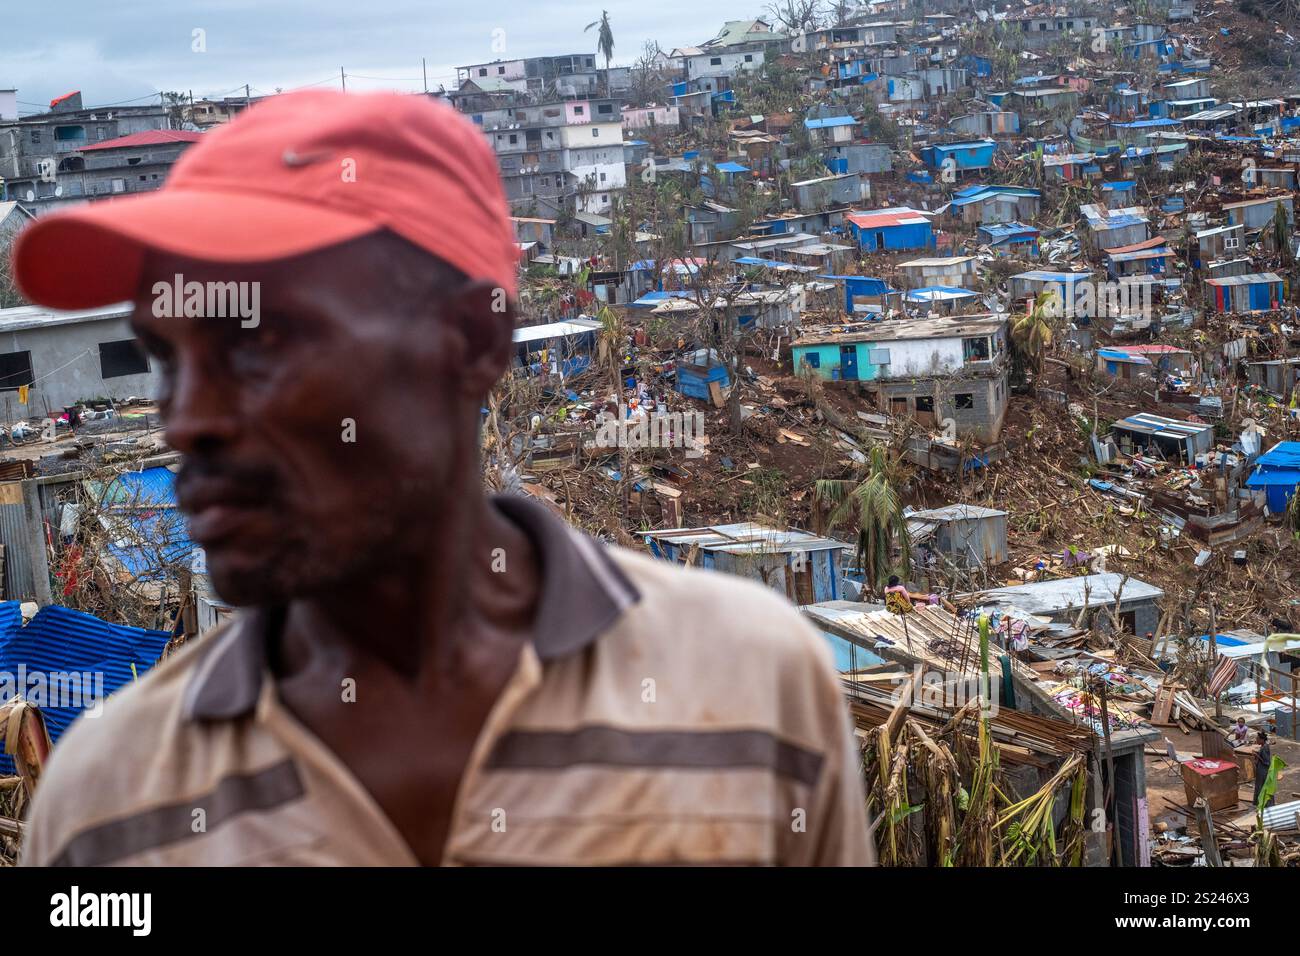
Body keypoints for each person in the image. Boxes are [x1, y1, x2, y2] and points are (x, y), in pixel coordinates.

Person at [13, 91, 871, 867]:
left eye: (259, 344)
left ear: (470, 342)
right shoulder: (109, 803)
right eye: (168, 358)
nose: (186, 420)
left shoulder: (748, 691)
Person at [1254, 731, 1274, 809]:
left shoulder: (1265, 748)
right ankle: (1261, 803)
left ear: (1262, 740)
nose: (1257, 741)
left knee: (1263, 787)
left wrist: (1257, 756)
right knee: (1260, 786)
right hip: (1260, 771)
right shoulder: (1263, 746)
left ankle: (1266, 804)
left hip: (1263, 771)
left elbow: (1266, 762)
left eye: (1258, 739)